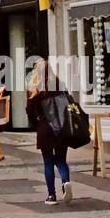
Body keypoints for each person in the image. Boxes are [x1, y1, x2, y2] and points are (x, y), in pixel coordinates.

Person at [26, 60, 73, 206]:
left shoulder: (35, 89)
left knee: (48, 162)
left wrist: (36, 125)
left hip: (45, 129)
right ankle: (65, 182)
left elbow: (29, 112)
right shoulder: (60, 85)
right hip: (61, 128)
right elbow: (69, 104)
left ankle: (51, 195)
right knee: (61, 160)